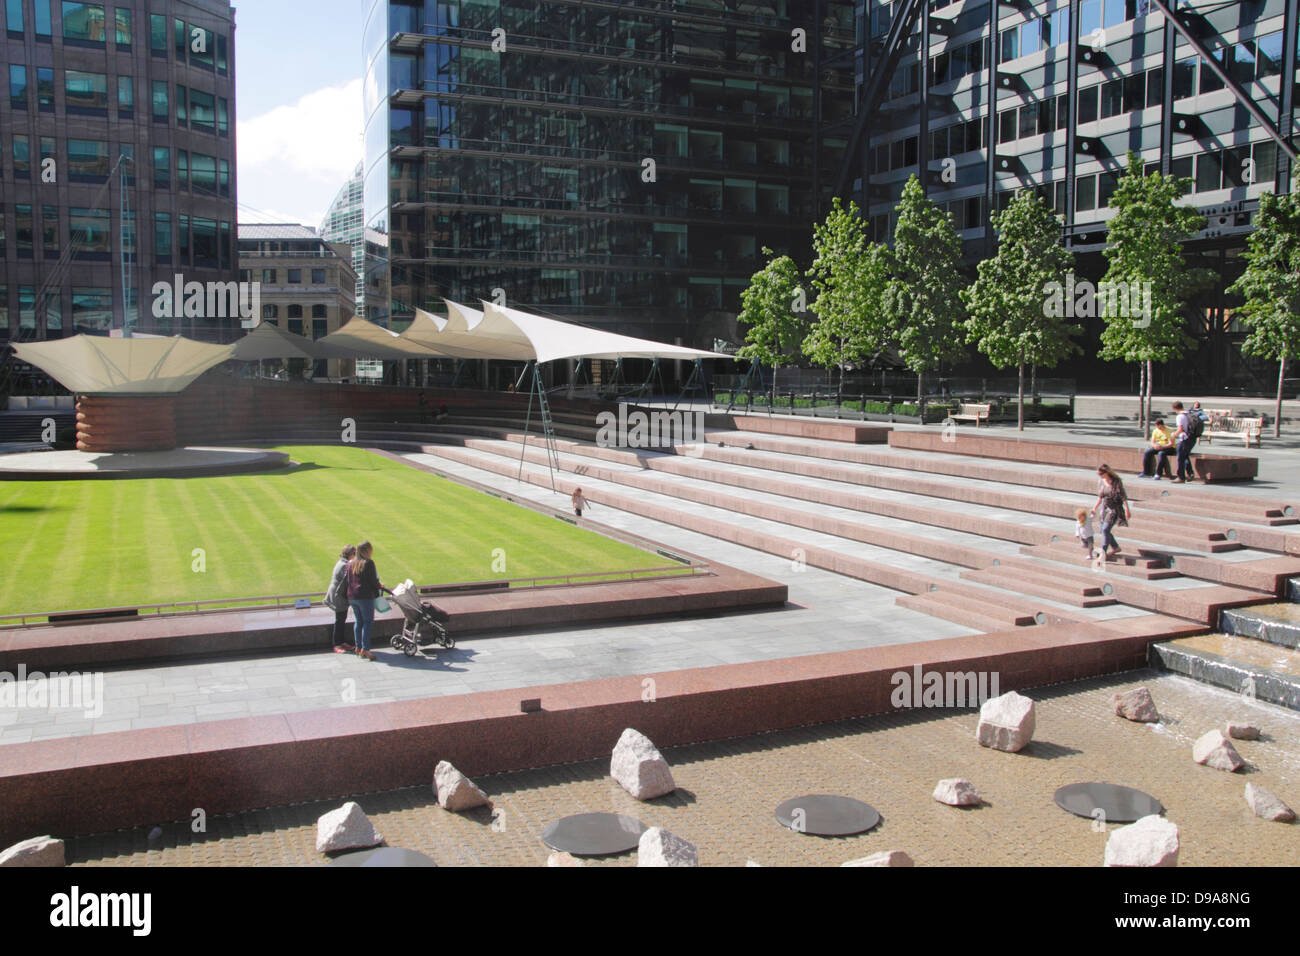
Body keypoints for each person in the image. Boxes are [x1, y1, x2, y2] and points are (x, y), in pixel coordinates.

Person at [347, 540, 385, 661]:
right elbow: (373, 581)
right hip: (365, 597)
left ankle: (358, 647)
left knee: (359, 622)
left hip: (352, 596)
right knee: (368, 622)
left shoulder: (350, 563)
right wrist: (379, 586)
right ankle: (366, 649)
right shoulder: (368, 563)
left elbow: (349, 580)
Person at [1093, 465, 1131, 558]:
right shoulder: (1101, 482)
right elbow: (1100, 497)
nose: (1099, 475)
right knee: (1103, 530)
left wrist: (1127, 510)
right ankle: (1115, 547)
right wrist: (1094, 508)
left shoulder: (1116, 482)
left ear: (1106, 473)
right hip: (1104, 509)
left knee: (1105, 529)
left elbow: (1123, 496)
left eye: (1101, 474)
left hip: (1114, 509)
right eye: (1098, 474)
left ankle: (1103, 552)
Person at [324, 545, 357, 653]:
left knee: (341, 619)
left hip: (338, 594)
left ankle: (341, 642)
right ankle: (337, 644)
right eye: (354, 554)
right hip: (338, 595)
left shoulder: (343, 563)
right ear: (350, 554)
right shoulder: (345, 565)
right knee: (340, 620)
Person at [1170, 401, 1202, 483]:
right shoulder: (1189, 413)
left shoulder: (1180, 416)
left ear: (1174, 408)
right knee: (1185, 455)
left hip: (1185, 439)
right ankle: (1190, 473)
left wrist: (1174, 435)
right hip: (1193, 438)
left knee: (1180, 457)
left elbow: (1180, 429)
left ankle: (1181, 477)